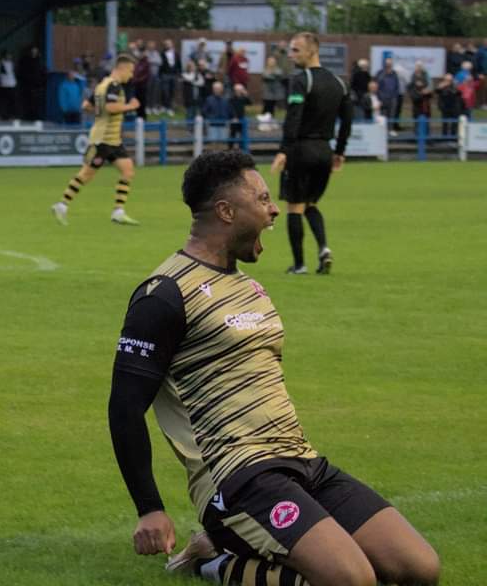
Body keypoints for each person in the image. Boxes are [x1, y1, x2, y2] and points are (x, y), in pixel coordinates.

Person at [109, 150, 440, 586]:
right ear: (226, 211)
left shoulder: (249, 286)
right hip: (236, 476)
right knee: (352, 580)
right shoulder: (164, 294)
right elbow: (125, 406)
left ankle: (221, 547)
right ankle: (213, 561)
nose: (274, 208)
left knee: (419, 569)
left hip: (301, 461)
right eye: (262, 198)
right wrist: (149, 506)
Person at [271, 32, 353, 276]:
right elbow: (347, 122)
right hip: (324, 152)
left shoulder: (301, 80)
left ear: (312, 51)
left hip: (301, 150)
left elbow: (293, 117)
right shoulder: (339, 83)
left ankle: (299, 265)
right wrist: (339, 151)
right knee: (311, 204)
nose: (291, 55)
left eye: (296, 50)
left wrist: (284, 150)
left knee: (294, 206)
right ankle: (324, 249)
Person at [51, 54, 141, 226]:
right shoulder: (114, 86)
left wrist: (99, 112)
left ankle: (118, 212)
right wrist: (130, 106)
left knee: (128, 171)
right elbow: (110, 107)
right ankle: (61, 205)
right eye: (130, 71)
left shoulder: (102, 85)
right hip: (102, 140)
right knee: (86, 174)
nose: (131, 75)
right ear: (121, 69)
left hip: (113, 139)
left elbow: (86, 106)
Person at [201, 81, 233, 146]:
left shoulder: (226, 99)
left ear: (222, 89)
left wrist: (232, 118)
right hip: (213, 126)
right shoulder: (209, 99)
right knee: (213, 145)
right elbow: (204, 111)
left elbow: (230, 111)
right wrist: (210, 117)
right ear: (213, 89)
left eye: (219, 88)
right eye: (215, 88)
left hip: (223, 125)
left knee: (223, 145)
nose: (217, 90)